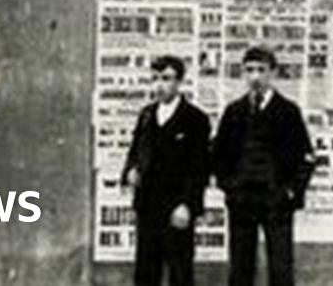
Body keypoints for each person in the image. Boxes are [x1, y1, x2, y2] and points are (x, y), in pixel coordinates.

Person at [211, 47, 315, 286]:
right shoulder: (234, 111)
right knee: (240, 267)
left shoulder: (288, 112)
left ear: (272, 73)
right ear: (243, 74)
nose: (255, 76)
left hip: (276, 201)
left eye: (261, 70)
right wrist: (229, 186)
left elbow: (306, 157)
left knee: (280, 267)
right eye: (249, 70)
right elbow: (218, 154)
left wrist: (290, 192)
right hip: (242, 201)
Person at [120, 55, 211, 286]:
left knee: (179, 271)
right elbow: (135, 150)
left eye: (167, 78)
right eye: (155, 78)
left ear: (179, 81)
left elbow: (199, 168)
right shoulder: (147, 114)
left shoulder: (195, 119)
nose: (160, 85)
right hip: (148, 204)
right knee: (146, 270)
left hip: (176, 207)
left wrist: (187, 205)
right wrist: (130, 170)